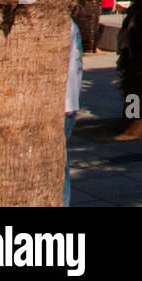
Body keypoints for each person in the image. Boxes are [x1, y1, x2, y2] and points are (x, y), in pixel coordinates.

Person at [64, 18, 81, 206]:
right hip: (70, 104)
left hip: (64, 105)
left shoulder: (62, 25)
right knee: (63, 166)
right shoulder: (71, 24)